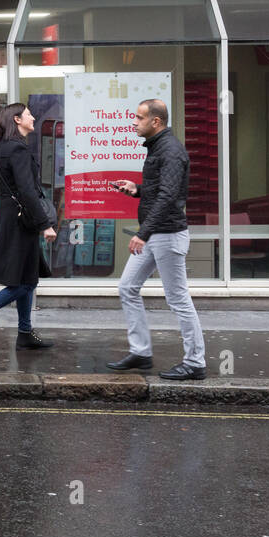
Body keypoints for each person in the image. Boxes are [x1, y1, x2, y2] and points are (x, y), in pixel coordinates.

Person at [107, 98, 205, 380]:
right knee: (127, 287)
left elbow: (168, 197)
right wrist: (136, 189)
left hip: (167, 235)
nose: (134, 122)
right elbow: (159, 190)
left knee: (178, 298)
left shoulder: (171, 151)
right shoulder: (157, 147)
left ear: (156, 122)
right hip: (155, 234)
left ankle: (195, 362)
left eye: (139, 118)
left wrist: (142, 233)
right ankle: (141, 352)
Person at [0, 103, 57, 350]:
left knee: (26, 275)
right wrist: (45, 224)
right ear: (17, 119)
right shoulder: (18, 150)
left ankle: (25, 332)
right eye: (28, 114)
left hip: (11, 217)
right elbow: (27, 191)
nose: (33, 117)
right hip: (22, 220)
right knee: (26, 282)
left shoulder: (2, 149)